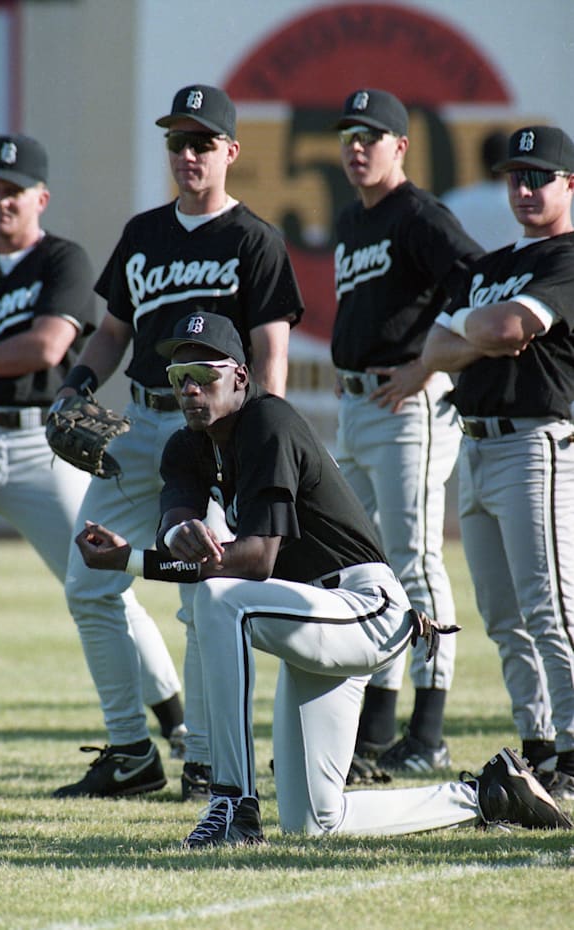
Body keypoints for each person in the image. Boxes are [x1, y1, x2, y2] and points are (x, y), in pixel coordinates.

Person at [74, 310, 572, 847]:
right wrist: (174, 537)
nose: (190, 388)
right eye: (178, 378)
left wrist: (134, 560)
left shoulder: (268, 421)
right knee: (314, 821)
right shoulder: (185, 446)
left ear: (241, 376)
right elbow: (176, 517)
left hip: (366, 607)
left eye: (205, 375)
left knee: (218, 597)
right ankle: (491, 794)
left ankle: (232, 803)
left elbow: (256, 561)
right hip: (314, 615)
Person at [53, 85, 303, 799]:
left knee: (204, 595)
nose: (187, 154)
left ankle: (202, 760)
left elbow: (270, 349)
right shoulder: (143, 234)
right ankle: (131, 754)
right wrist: (75, 387)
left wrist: (265, 433)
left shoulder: (253, 239)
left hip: (217, 432)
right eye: (176, 142)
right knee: (88, 582)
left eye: (201, 142)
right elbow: (111, 333)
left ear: (230, 150)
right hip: (139, 425)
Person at [330, 89, 484, 774]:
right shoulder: (354, 220)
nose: (357, 146)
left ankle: (428, 732)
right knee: (366, 563)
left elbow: (478, 282)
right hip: (357, 406)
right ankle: (374, 730)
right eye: (349, 135)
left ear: (402, 146)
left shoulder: (419, 214)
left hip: (407, 406)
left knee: (416, 560)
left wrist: (427, 366)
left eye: (373, 135)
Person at [421, 124, 574, 802]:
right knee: (503, 615)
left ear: (570, 184)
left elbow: (508, 329)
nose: (524, 187)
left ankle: (573, 749)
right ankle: (540, 745)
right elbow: (434, 350)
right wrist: (477, 331)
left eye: (539, 175)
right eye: (515, 175)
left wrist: (474, 330)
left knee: (553, 609)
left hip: (537, 442)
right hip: (477, 446)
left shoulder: (567, 256)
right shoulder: (487, 266)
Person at [0, 132, 95, 622]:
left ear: (41, 198)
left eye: (13, 189)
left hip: (44, 446)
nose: (1, 200)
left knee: (97, 587)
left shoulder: (63, 260)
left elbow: (45, 346)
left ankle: (168, 704)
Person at [441, 129, 522, 251]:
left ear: (482, 159)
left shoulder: (453, 201)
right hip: (513, 268)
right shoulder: (524, 204)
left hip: (469, 268)